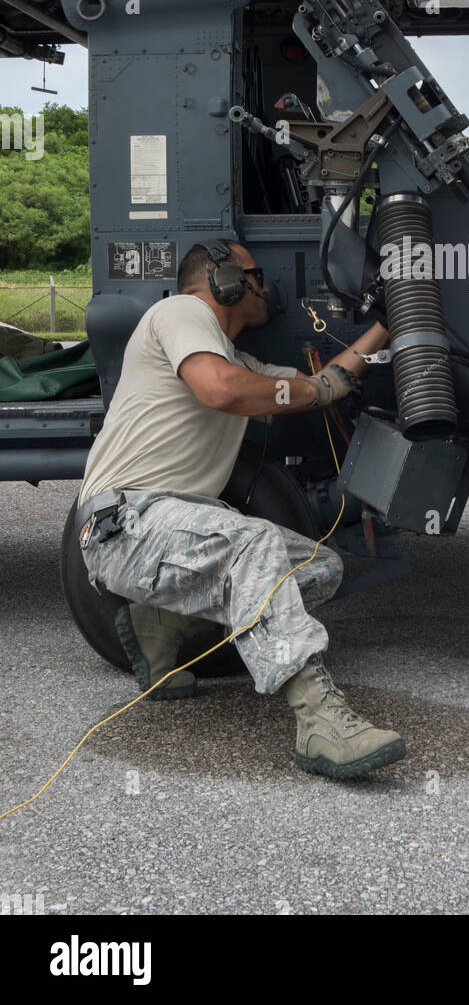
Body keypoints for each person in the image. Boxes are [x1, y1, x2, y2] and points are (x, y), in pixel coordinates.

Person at [74, 240, 405, 779]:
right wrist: (291, 390)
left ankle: (162, 623)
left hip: (169, 529)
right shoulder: (179, 312)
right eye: (256, 275)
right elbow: (221, 391)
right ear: (224, 279)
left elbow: (322, 388)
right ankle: (321, 723)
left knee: (321, 568)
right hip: (127, 523)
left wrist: (385, 324)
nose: (267, 288)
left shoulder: (238, 361)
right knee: (255, 543)